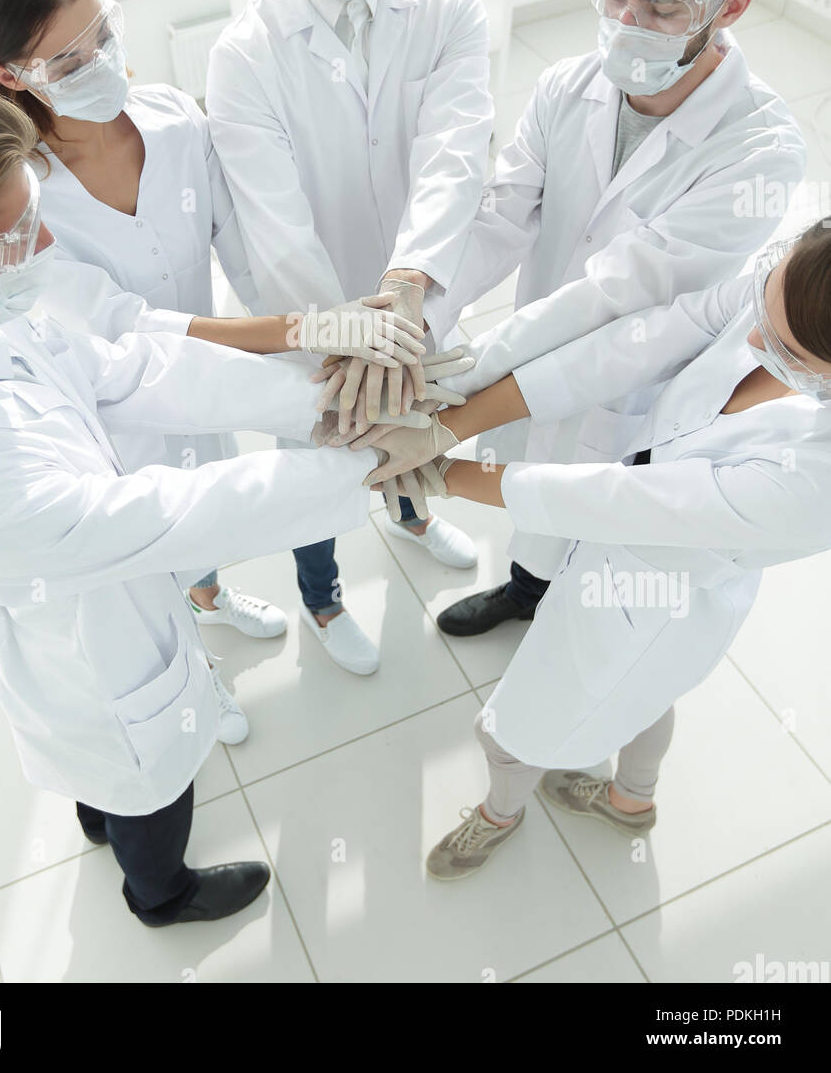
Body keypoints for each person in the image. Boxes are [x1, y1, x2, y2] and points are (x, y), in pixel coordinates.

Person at [0, 70, 420, 925]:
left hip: (90, 616)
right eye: (19, 237)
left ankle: (100, 818)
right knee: (150, 790)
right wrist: (376, 459)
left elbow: (131, 373)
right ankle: (163, 894)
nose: (48, 251)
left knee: (104, 787)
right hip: (96, 659)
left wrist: (324, 406)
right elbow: (186, 511)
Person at [0, 0, 465, 725]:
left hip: (211, 374)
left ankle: (274, 600)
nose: (99, 63)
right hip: (119, 410)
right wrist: (305, 329)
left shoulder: (171, 121)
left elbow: (244, 244)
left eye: (103, 34)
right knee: (154, 549)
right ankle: (194, 666)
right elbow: (129, 328)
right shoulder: (22, 201)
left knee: (240, 491)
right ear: (8, 76)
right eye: (67, 61)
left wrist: (327, 346)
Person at [333, 218, 831, 875]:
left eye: (786, 352)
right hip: (645, 567)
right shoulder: (796, 289)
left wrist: (446, 473)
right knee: (650, 696)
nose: (748, 339)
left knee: (512, 729)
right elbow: (635, 344)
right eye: (761, 311)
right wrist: (453, 418)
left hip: (654, 593)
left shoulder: (813, 480)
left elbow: (622, 502)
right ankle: (631, 800)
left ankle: (497, 815)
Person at [424, 0, 806, 638]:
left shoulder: (760, 151)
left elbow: (620, 291)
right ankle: (524, 591)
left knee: (596, 542)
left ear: (730, 7)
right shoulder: (569, 85)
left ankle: (561, 615)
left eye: (664, 10)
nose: (627, 23)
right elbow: (501, 215)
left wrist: (461, 379)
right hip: (538, 358)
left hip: (633, 391)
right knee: (535, 500)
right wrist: (417, 315)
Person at [207, 0, 494, 674]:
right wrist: (357, 346)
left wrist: (407, 299)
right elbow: (277, 234)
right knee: (319, 459)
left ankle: (412, 512)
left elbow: (456, 159)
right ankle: (323, 600)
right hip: (317, 325)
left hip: (418, 303)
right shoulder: (244, 56)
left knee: (413, 424)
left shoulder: (446, 9)